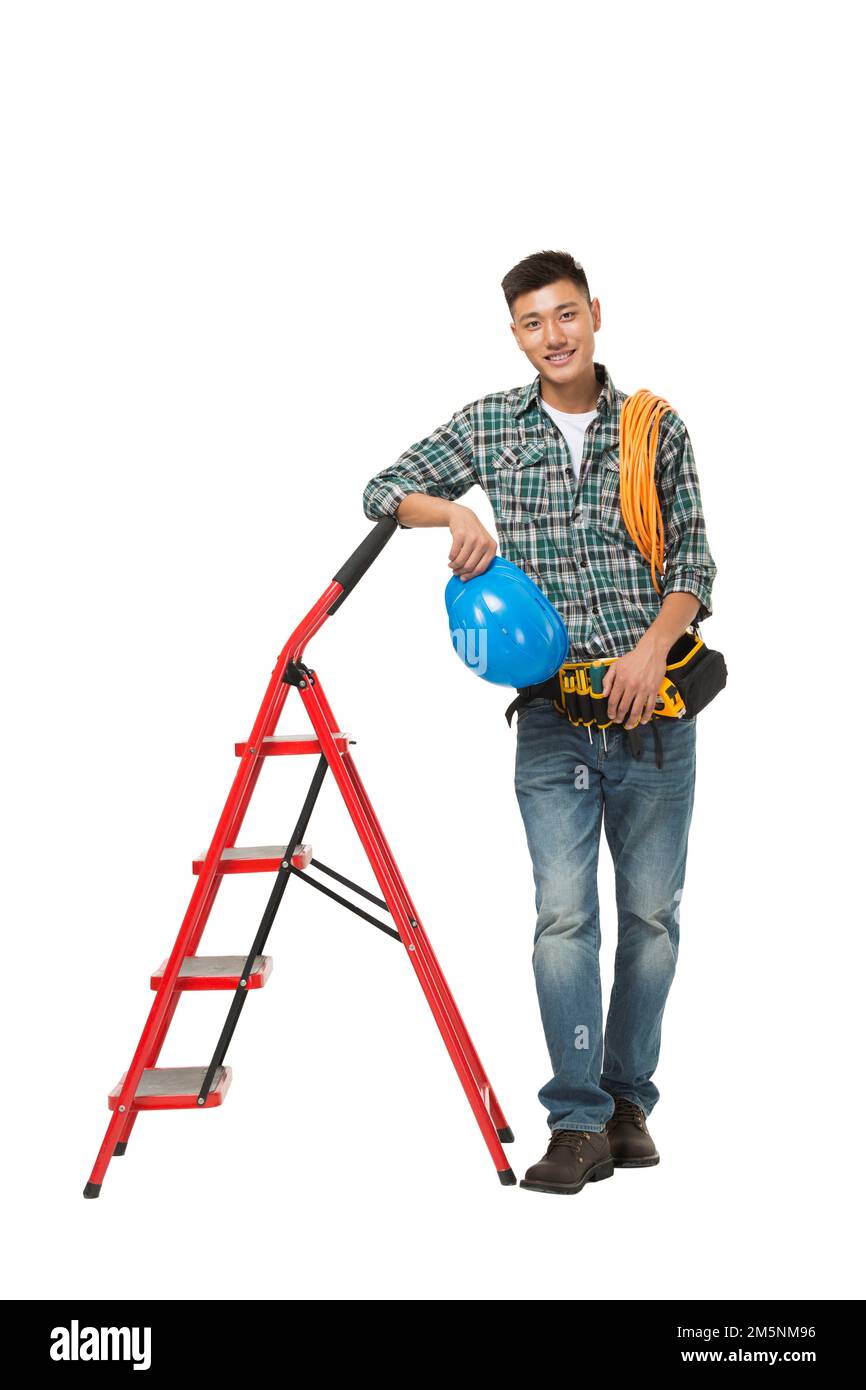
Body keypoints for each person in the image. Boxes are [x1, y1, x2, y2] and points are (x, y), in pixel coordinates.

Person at [361, 249, 717, 1196]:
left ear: (595, 314)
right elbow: (379, 490)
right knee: (564, 919)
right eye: (532, 322)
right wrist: (449, 515)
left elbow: (694, 563)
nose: (552, 336)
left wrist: (649, 651)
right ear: (514, 332)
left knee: (651, 919)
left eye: (566, 315)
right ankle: (577, 1121)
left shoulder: (653, 427)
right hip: (554, 720)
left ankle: (628, 1100)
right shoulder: (492, 425)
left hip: (655, 711)